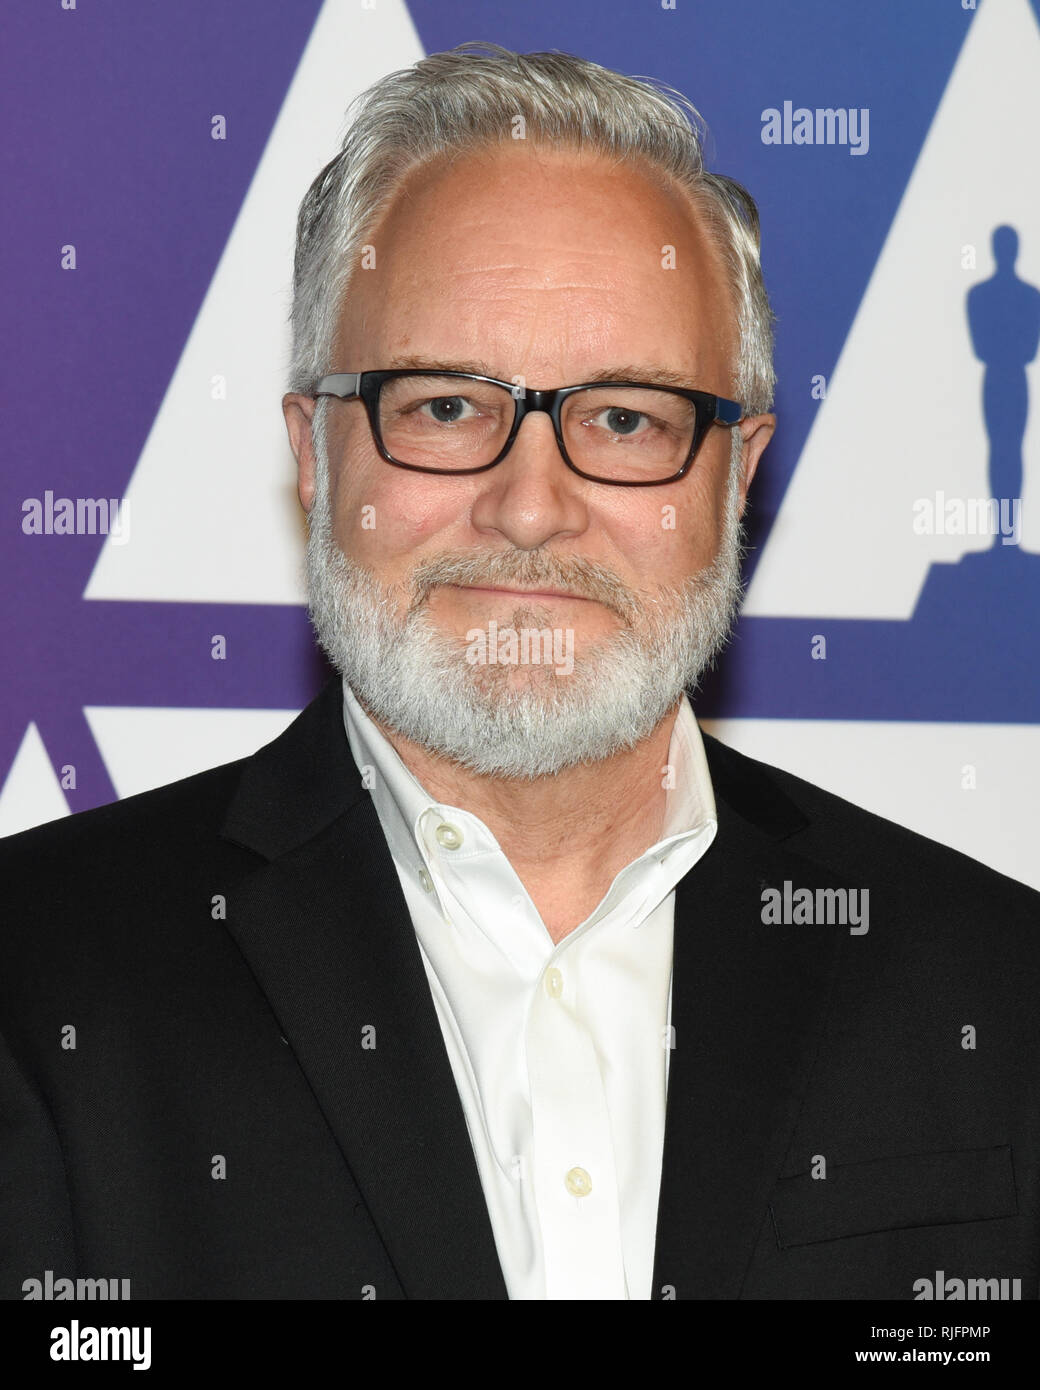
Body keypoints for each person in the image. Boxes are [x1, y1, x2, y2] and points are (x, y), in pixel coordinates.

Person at [2, 42, 1037, 1303]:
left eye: (623, 418)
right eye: (443, 406)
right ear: (317, 455)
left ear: (736, 474)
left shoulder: (991, 984)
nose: (531, 506)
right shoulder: (38, 979)